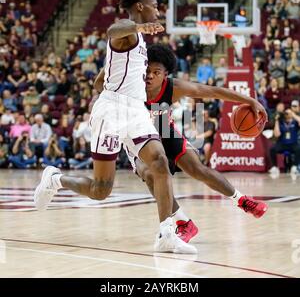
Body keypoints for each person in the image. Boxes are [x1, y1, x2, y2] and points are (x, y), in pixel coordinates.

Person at [34, 0, 196, 254]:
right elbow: (113, 30)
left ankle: (167, 234)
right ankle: (55, 179)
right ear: (140, 7)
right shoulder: (128, 32)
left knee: (159, 162)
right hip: (112, 111)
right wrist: (138, 28)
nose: (158, 10)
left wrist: (112, 78)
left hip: (133, 110)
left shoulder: (140, 43)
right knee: (100, 190)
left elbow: (101, 80)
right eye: (155, 5)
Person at [95, 44, 269, 243]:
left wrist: (250, 100)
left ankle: (242, 200)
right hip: (137, 137)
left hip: (164, 130)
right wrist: (113, 65)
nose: (150, 76)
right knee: (151, 175)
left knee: (196, 168)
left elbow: (212, 91)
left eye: (156, 72)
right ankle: (183, 222)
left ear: (165, 74)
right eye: (147, 71)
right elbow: (99, 84)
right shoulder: (129, 86)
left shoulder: (173, 88)